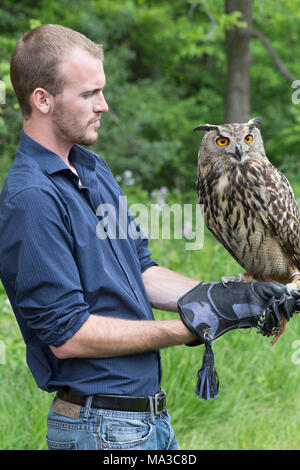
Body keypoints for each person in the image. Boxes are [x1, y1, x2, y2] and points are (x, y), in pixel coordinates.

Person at [0, 24, 295, 451]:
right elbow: (67, 337)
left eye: (102, 90)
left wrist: (225, 297)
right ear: (42, 100)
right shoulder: (31, 198)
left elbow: (140, 270)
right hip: (96, 427)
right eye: (88, 94)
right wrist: (189, 326)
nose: (103, 105)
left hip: (145, 420)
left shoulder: (93, 168)